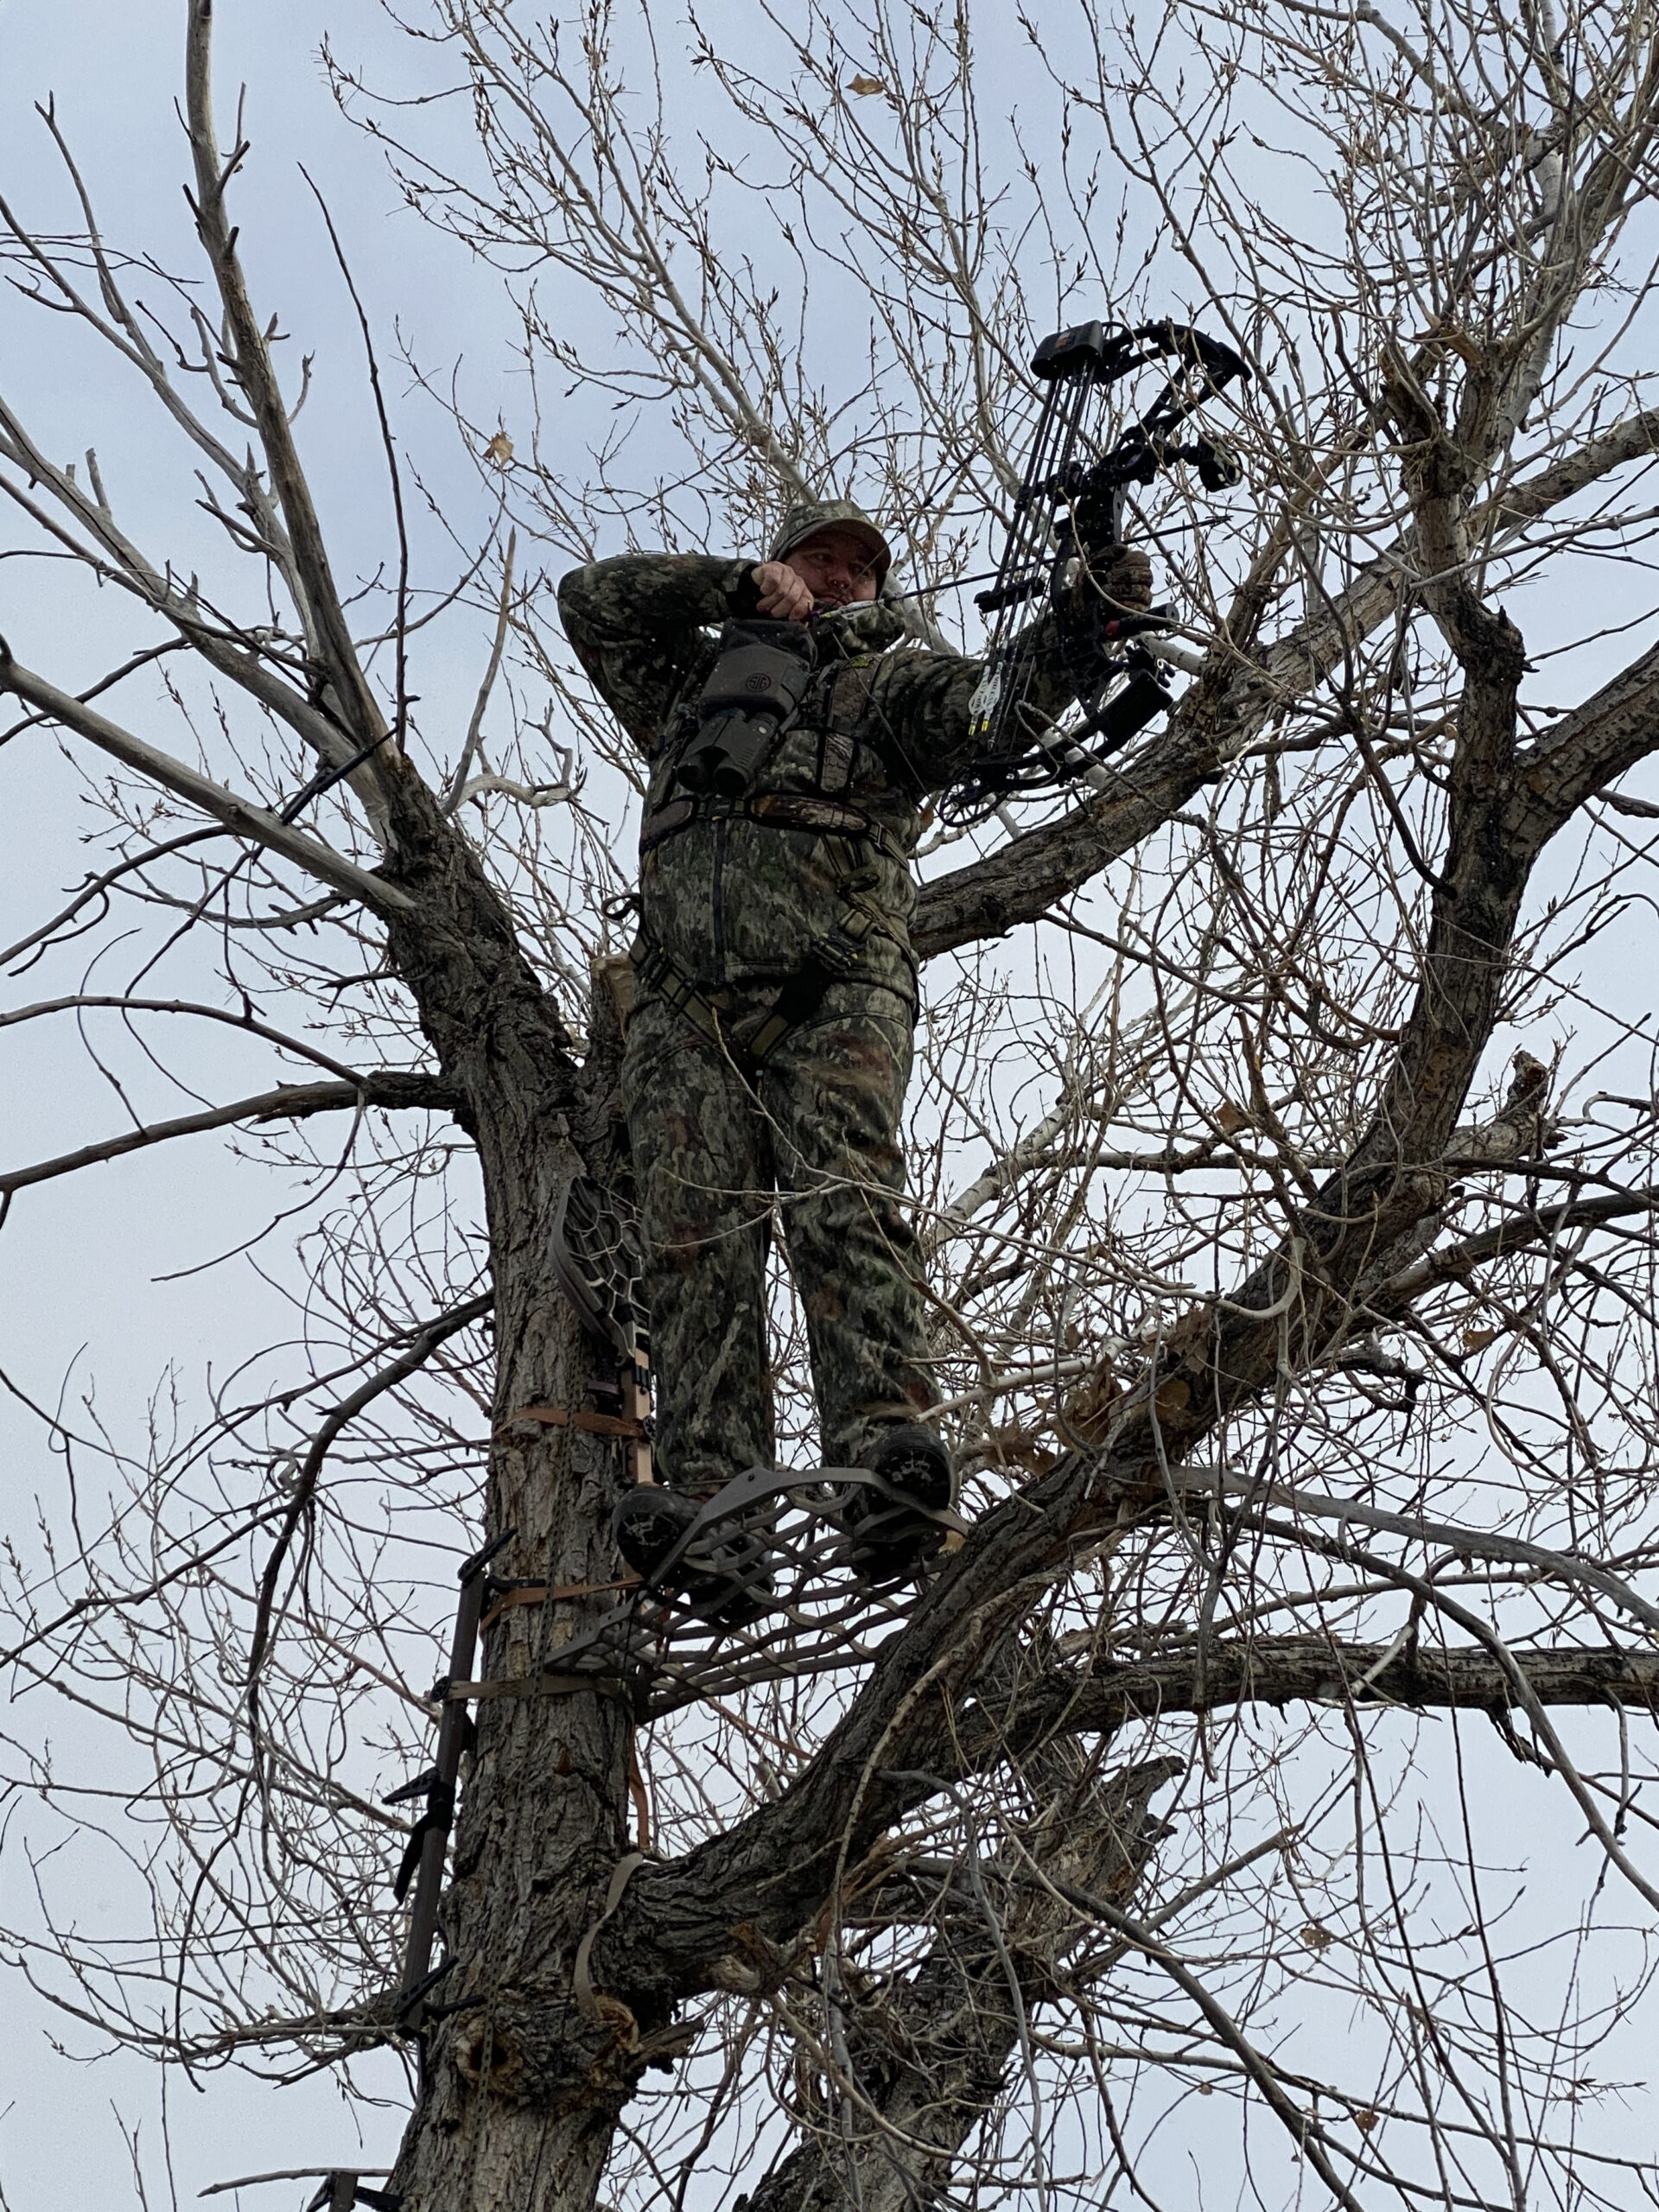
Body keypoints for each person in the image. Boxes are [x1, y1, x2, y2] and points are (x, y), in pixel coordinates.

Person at [557, 500, 1151, 1605]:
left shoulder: (891, 689)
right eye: (813, 561)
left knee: (843, 1202)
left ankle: (888, 1466)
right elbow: (590, 602)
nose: (836, 579)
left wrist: (1081, 622)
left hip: (835, 991)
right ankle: (714, 1510)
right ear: (780, 566)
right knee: (692, 1242)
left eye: (856, 570)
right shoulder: (695, 693)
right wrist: (730, 587)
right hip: (688, 1008)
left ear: (880, 593)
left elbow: (995, 710)